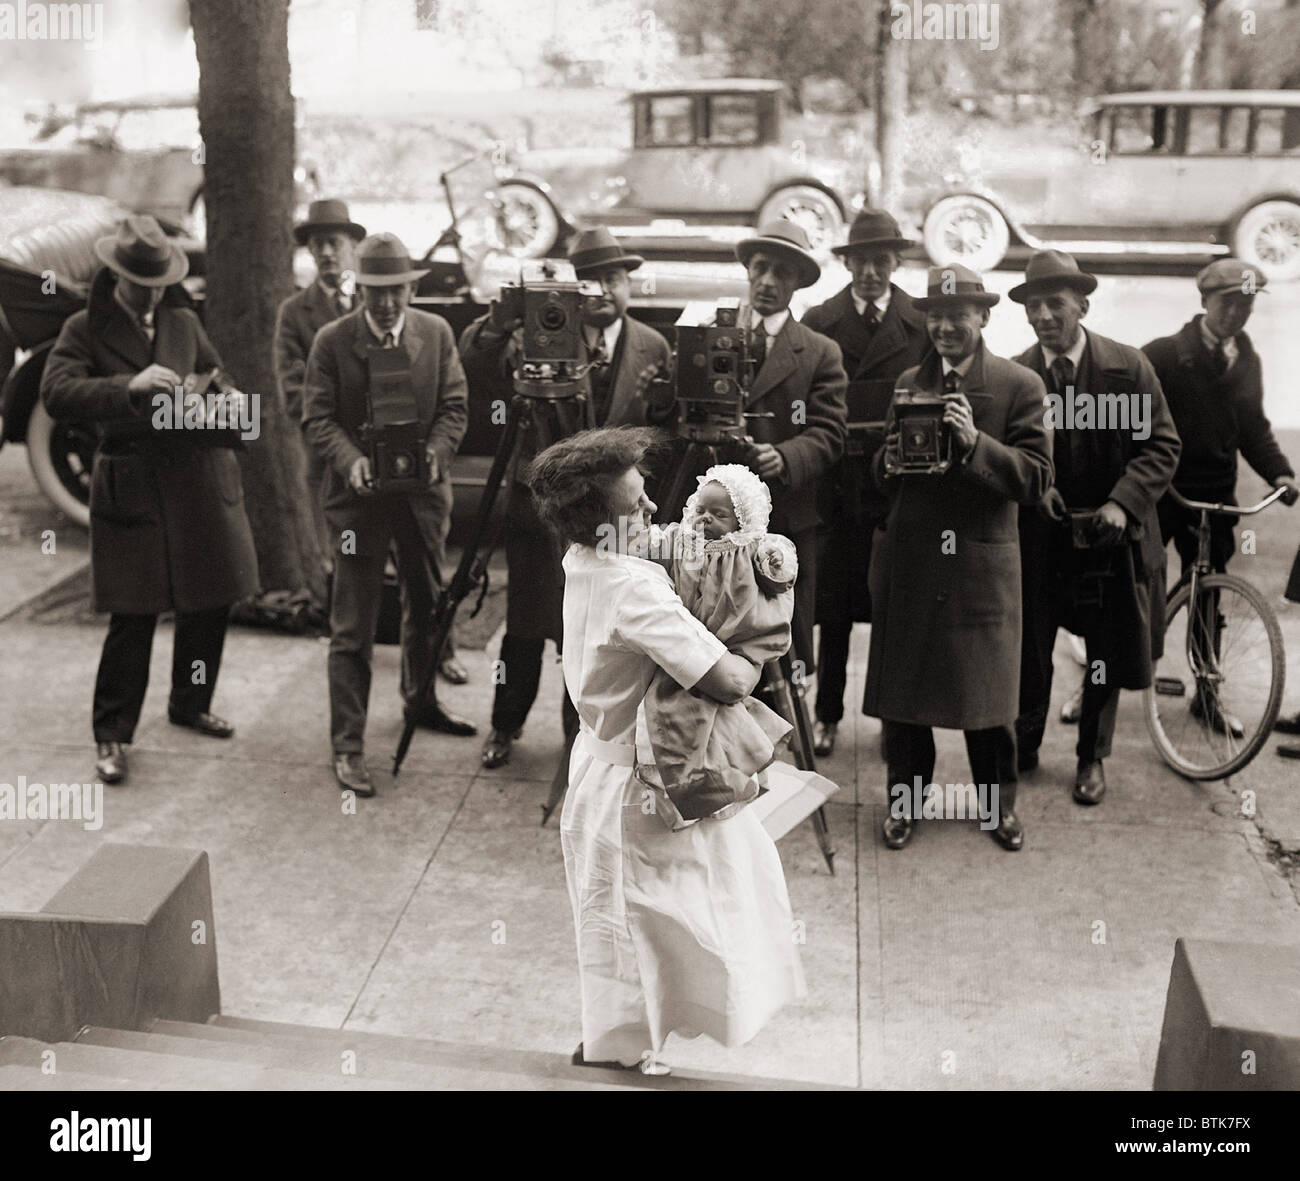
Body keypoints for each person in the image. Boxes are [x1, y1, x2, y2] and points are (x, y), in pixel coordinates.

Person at [528, 426, 806, 1073]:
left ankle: (616, 1040)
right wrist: (760, 637)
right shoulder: (635, 588)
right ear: (604, 525)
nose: (656, 509)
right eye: (637, 506)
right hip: (639, 785)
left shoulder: (584, 560)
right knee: (680, 914)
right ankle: (627, 1047)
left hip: (596, 764)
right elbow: (730, 679)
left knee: (615, 921)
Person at [41, 215, 258, 786]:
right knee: (132, 615)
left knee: (209, 600)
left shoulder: (181, 319)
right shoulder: (84, 328)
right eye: (143, 284)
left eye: (160, 282)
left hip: (194, 481)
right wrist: (127, 389)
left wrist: (224, 392)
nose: (153, 293)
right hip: (133, 487)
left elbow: (214, 370)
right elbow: (56, 393)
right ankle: (111, 735)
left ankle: (190, 701)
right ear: (117, 277)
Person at [459, 226, 671, 770]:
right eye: (593, 279)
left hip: (614, 523)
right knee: (527, 626)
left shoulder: (652, 346)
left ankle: (581, 737)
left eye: (615, 278)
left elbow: (662, 434)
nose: (604, 290)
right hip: (541, 513)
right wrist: (500, 318)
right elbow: (476, 362)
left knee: (594, 632)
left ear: (629, 284)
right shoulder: (540, 331)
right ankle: (505, 726)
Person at [864, 264, 1053, 852]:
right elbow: (883, 469)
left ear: (984, 318)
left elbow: (1039, 479)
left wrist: (977, 445)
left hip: (978, 566)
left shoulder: (1021, 386)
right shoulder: (906, 381)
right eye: (936, 316)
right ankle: (904, 804)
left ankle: (998, 808)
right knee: (905, 701)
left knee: (987, 701)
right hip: (914, 560)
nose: (944, 327)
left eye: (957, 316)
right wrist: (887, 464)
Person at [302, 233, 474, 797]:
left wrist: (434, 454)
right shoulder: (332, 341)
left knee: (426, 605)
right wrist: (350, 462)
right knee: (352, 622)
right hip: (359, 505)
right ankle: (347, 746)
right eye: (374, 293)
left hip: (421, 497)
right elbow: (317, 417)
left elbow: (454, 406)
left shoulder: (437, 333)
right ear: (360, 290)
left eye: (395, 292)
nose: (385, 305)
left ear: (409, 289)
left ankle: (419, 702)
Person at [1010, 250, 1181, 806]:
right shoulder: (1018, 376)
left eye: (1054, 304)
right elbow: (1012, 455)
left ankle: (1090, 758)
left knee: (1104, 652)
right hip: (1041, 538)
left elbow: (1161, 445)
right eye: (1033, 306)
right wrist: (1040, 487)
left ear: (1082, 305)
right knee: (1030, 648)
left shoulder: (1127, 369)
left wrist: (1121, 504)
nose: (1042, 317)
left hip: (1111, 540)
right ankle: (1025, 740)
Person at [1143, 259, 1298, 736]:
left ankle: (1206, 692)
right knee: (1132, 586)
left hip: (1214, 497)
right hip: (1161, 490)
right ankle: (1098, 682)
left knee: (1208, 597)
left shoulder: (1245, 357)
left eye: (1246, 303)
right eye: (1228, 302)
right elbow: (1134, 423)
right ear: (1205, 302)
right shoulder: (1163, 355)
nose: (1237, 313)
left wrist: (1280, 473)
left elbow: (1252, 427)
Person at [802, 208, 930, 756]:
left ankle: (892, 715)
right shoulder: (819, 320)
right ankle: (827, 712)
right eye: (861, 261)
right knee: (832, 609)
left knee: (893, 609)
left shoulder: (921, 324)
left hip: (895, 485)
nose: (871, 272)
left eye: (882, 261)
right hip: (835, 485)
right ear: (848, 263)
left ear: (897, 261)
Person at [640, 463, 798, 824]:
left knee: (717, 709)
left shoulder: (750, 547)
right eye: (700, 510)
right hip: (697, 639)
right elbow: (656, 544)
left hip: (735, 640)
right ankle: (702, 789)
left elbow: (780, 573)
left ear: (742, 521)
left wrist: (779, 563)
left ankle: (717, 785)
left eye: (719, 514)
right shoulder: (684, 540)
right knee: (685, 716)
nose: (706, 519)